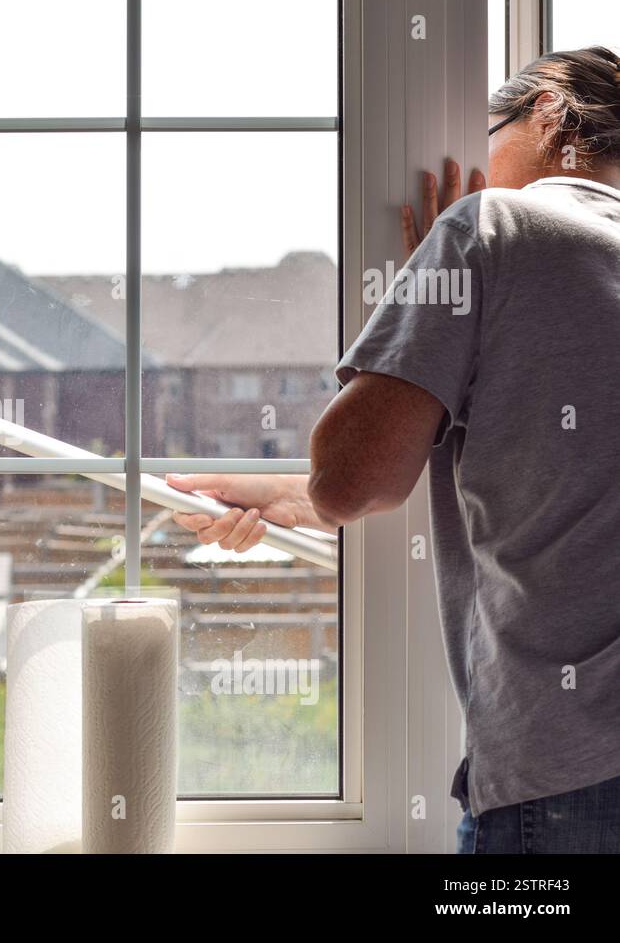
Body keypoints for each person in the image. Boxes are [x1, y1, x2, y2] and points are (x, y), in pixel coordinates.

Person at [168, 46, 620, 854]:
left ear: (549, 112)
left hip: (569, 783)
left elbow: (351, 481)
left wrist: (435, 281)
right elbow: (557, 478)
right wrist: (279, 496)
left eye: (490, 129)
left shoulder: (495, 228)